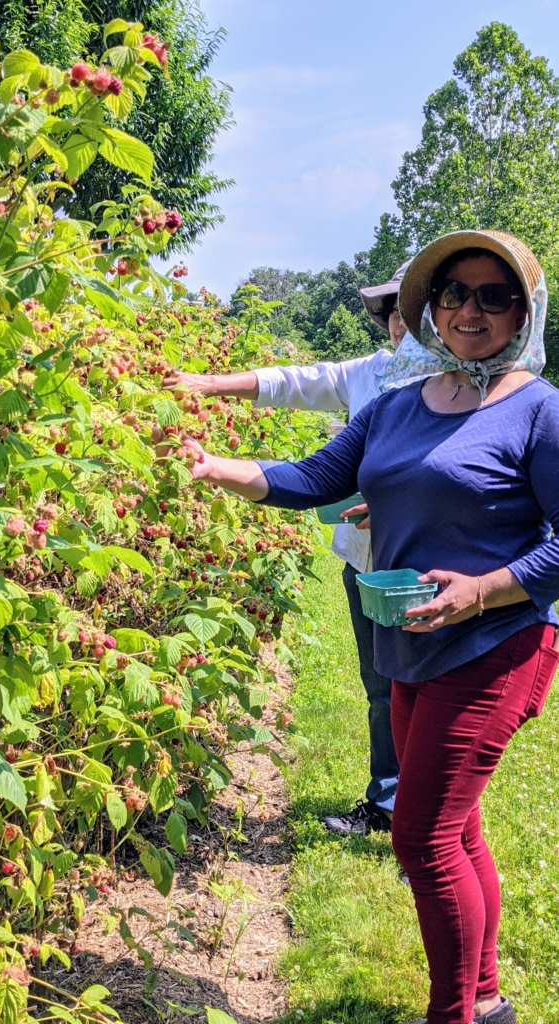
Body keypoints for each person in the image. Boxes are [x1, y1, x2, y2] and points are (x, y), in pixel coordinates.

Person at [182, 229, 559, 1024]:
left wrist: (485, 589)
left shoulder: (538, 411)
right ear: (427, 308)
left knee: (420, 837)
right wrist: (214, 468)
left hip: (493, 645)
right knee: (455, 831)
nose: (470, 310)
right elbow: (313, 477)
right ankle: (484, 1001)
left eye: (496, 297)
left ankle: (451, 1013)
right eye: (455, 292)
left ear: (524, 315)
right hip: (408, 639)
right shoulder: (397, 404)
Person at [164, 262, 411, 837]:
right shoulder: (370, 378)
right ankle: (389, 801)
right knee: (382, 685)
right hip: (366, 560)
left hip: (428, 566)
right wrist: (211, 384)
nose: (403, 323)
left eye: (415, 309)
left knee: (429, 694)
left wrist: (402, 503)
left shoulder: (469, 386)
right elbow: (297, 383)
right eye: (394, 311)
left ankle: (432, 825)